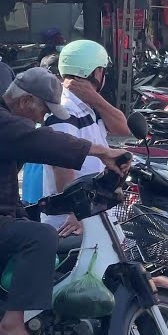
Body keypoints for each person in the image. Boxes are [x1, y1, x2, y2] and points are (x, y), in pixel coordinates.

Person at [0, 68, 132, 335]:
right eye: (41, 111)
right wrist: (104, 152)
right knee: (40, 236)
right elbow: (42, 141)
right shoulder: (6, 124)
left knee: (31, 227)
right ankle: (13, 323)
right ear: (25, 102)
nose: (42, 119)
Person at [44, 40, 131, 236]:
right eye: (102, 70)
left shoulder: (88, 105)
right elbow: (62, 166)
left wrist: (95, 98)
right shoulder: (64, 110)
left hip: (91, 211)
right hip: (72, 222)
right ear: (96, 72)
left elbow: (122, 128)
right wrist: (77, 212)